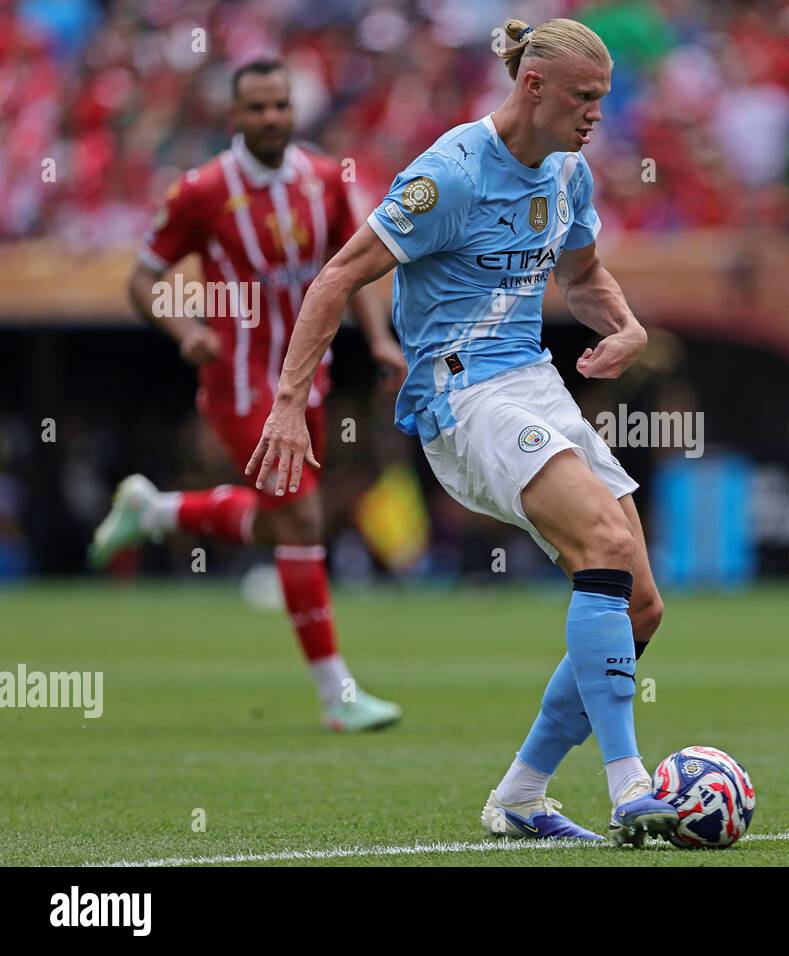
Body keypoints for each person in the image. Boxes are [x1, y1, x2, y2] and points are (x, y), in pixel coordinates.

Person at [245, 18, 670, 844]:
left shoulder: (569, 174)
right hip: (461, 391)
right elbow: (337, 276)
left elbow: (583, 276)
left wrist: (625, 325)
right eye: (584, 99)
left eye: (603, 101)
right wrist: (291, 401)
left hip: (534, 384)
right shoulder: (450, 174)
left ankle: (521, 795)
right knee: (604, 548)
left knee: (643, 607)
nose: (595, 116)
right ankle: (630, 788)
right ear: (533, 87)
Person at [89, 60, 405, 732]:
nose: (271, 118)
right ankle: (336, 696)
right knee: (302, 520)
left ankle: (158, 511)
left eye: (280, 105)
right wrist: (185, 331)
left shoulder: (326, 179)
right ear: (233, 117)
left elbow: (357, 269)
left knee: (283, 521)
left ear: (295, 110)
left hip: (306, 381)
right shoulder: (202, 190)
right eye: (257, 108)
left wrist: (379, 340)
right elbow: (142, 279)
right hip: (239, 384)